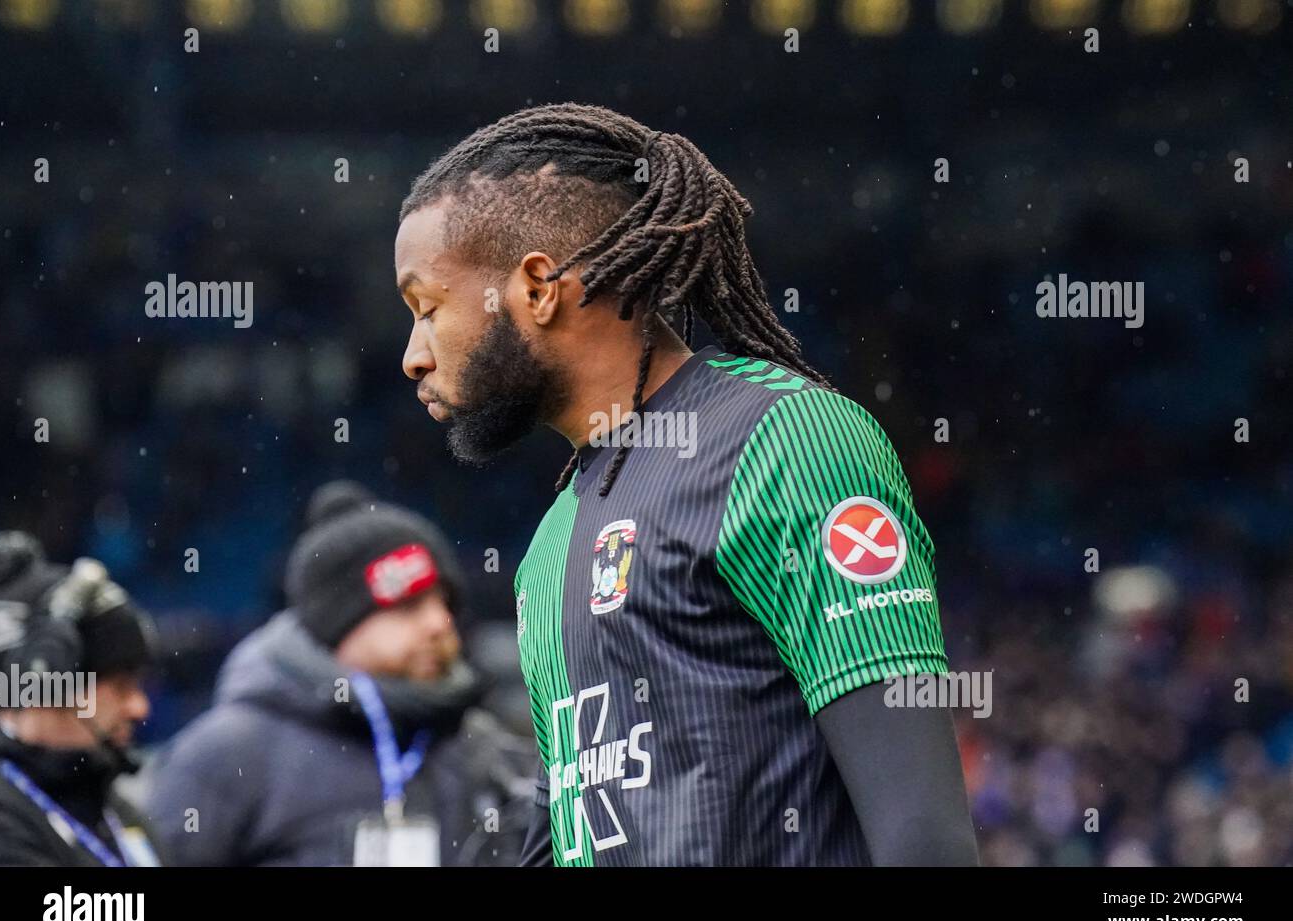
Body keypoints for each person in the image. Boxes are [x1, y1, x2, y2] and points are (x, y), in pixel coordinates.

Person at [393, 103, 979, 865]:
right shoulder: (551, 542)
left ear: (537, 288)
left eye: (426, 308)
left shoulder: (785, 442)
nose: (413, 355)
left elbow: (926, 840)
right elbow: (569, 827)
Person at [147, 482, 535, 866]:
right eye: (408, 605)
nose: (439, 623)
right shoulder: (225, 756)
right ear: (337, 624)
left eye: (444, 602)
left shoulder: (482, 752)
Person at [0, 531, 161, 866]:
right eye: (120, 687)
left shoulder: (114, 811)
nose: (139, 707)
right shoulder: (2, 824)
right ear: (39, 686)